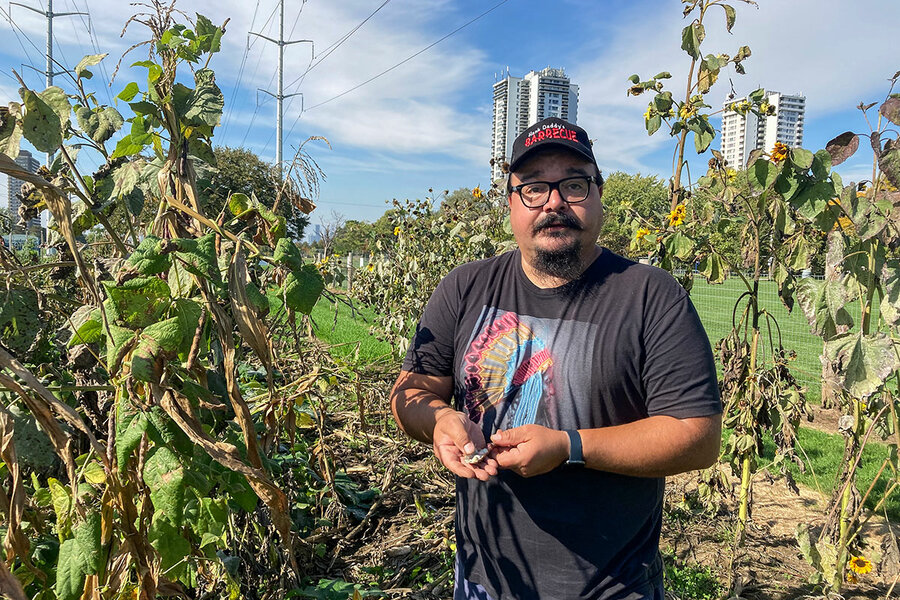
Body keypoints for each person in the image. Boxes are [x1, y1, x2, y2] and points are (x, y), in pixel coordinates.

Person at [390, 117, 722, 600]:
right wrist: (439, 421)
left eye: (573, 184)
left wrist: (569, 446)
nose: (554, 202)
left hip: (611, 586)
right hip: (485, 579)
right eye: (534, 188)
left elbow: (697, 438)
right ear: (511, 203)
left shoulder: (651, 296)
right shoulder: (464, 287)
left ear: (598, 194)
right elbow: (410, 392)